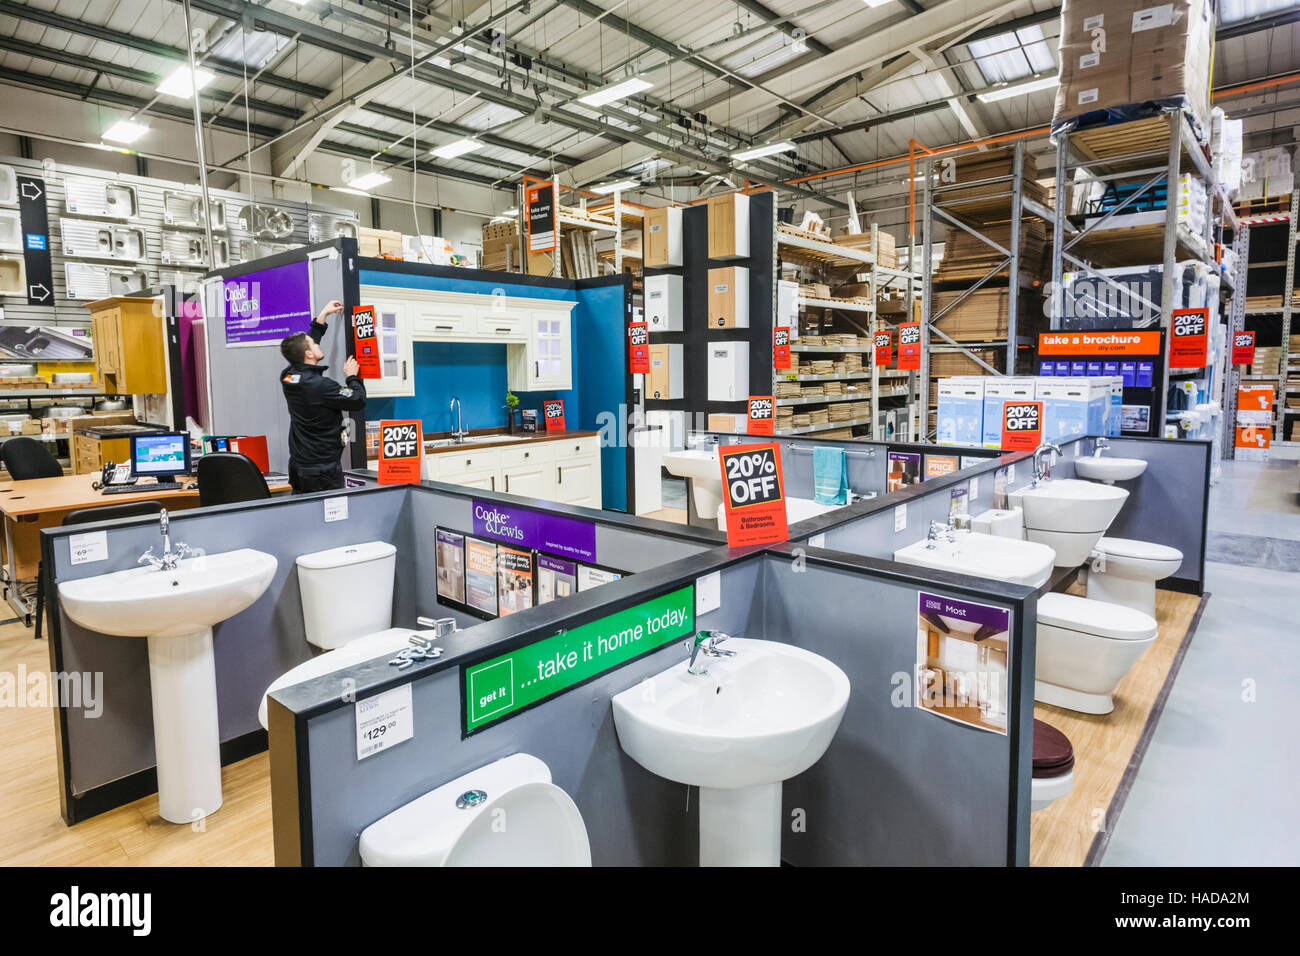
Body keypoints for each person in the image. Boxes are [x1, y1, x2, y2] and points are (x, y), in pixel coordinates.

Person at [279, 300, 367, 493]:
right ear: (309, 353)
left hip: (299, 464)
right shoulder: (321, 386)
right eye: (313, 344)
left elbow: (304, 345)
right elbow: (358, 400)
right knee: (326, 517)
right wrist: (352, 376)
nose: (316, 344)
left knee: (303, 512)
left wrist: (322, 317)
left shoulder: (288, 376)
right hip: (322, 470)